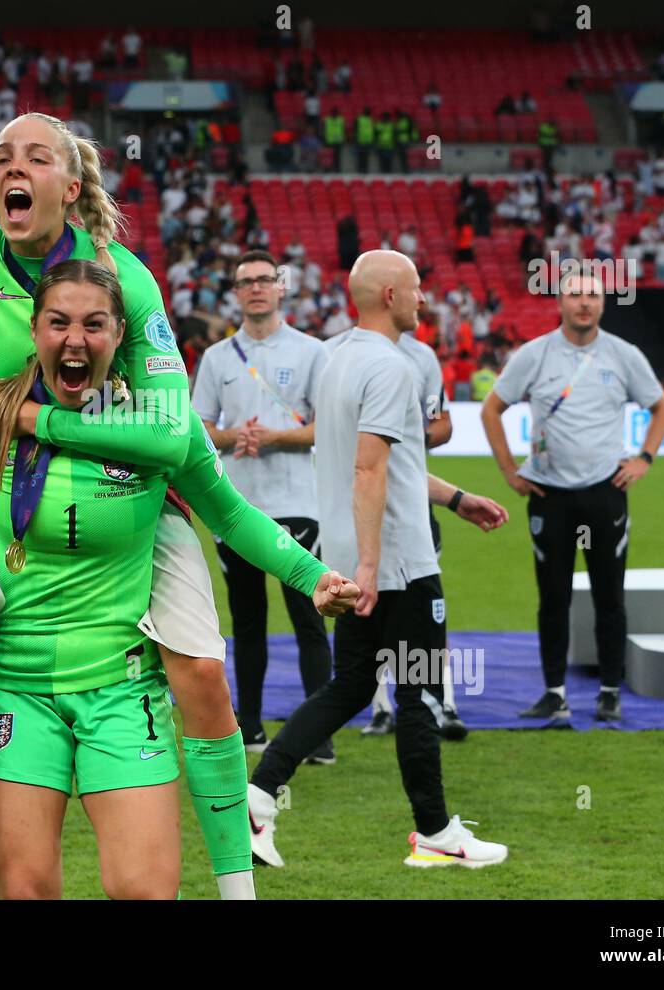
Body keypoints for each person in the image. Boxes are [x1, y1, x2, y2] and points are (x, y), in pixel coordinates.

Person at [0, 15, 357, 902]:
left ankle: (235, 873)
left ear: (70, 184)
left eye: (34, 156)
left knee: (202, 671)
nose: (10, 167)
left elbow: (173, 434)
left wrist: (38, 424)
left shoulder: (123, 282)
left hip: (129, 488)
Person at [0, 263, 355, 900]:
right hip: (13, 691)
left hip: (121, 691)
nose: (75, 339)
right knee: (27, 891)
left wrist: (312, 576)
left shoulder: (158, 428)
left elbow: (230, 512)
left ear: (119, 335)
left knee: (143, 891)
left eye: (94, 324)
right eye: (58, 322)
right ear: (34, 329)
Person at [247, 251, 510, 871]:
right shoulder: (393, 368)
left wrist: (458, 498)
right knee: (418, 691)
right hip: (397, 564)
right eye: (418, 289)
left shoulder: (337, 358)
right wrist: (369, 567)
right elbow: (371, 469)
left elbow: (391, 466)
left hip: (352, 550)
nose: (425, 301)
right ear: (391, 294)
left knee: (351, 686)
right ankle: (435, 834)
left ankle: (258, 796)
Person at [479, 272, 664, 724]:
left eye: (591, 295)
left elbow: (660, 407)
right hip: (551, 497)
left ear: (603, 302)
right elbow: (492, 408)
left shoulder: (624, 355)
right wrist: (510, 470)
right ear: (560, 301)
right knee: (552, 598)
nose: (583, 303)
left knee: (610, 596)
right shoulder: (535, 354)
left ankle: (609, 692)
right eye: (574, 294)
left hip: (606, 492)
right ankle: (554, 693)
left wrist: (644, 457)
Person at [192, 250, 334, 763]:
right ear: (235, 293)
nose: (255, 288)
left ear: (280, 288)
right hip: (237, 508)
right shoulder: (217, 358)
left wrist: (280, 437)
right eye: (245, 281)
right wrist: (233, 437)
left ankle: (319, 737)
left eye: (263, 280)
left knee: (309, 616)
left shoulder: (313, 352)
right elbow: (199, 429)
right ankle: (249, 727)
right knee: (246, 621)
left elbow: (329, 427)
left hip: (298, 502)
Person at [350, 325, 469, 741]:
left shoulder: (423, 357)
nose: (418, 302)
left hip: (412, 500)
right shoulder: (345, 354)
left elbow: (443, 423)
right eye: (410, 291)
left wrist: (404, 433)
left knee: (427, 603)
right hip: (363, 499)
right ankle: (381, 707)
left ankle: (443, 702)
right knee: (370, 603)